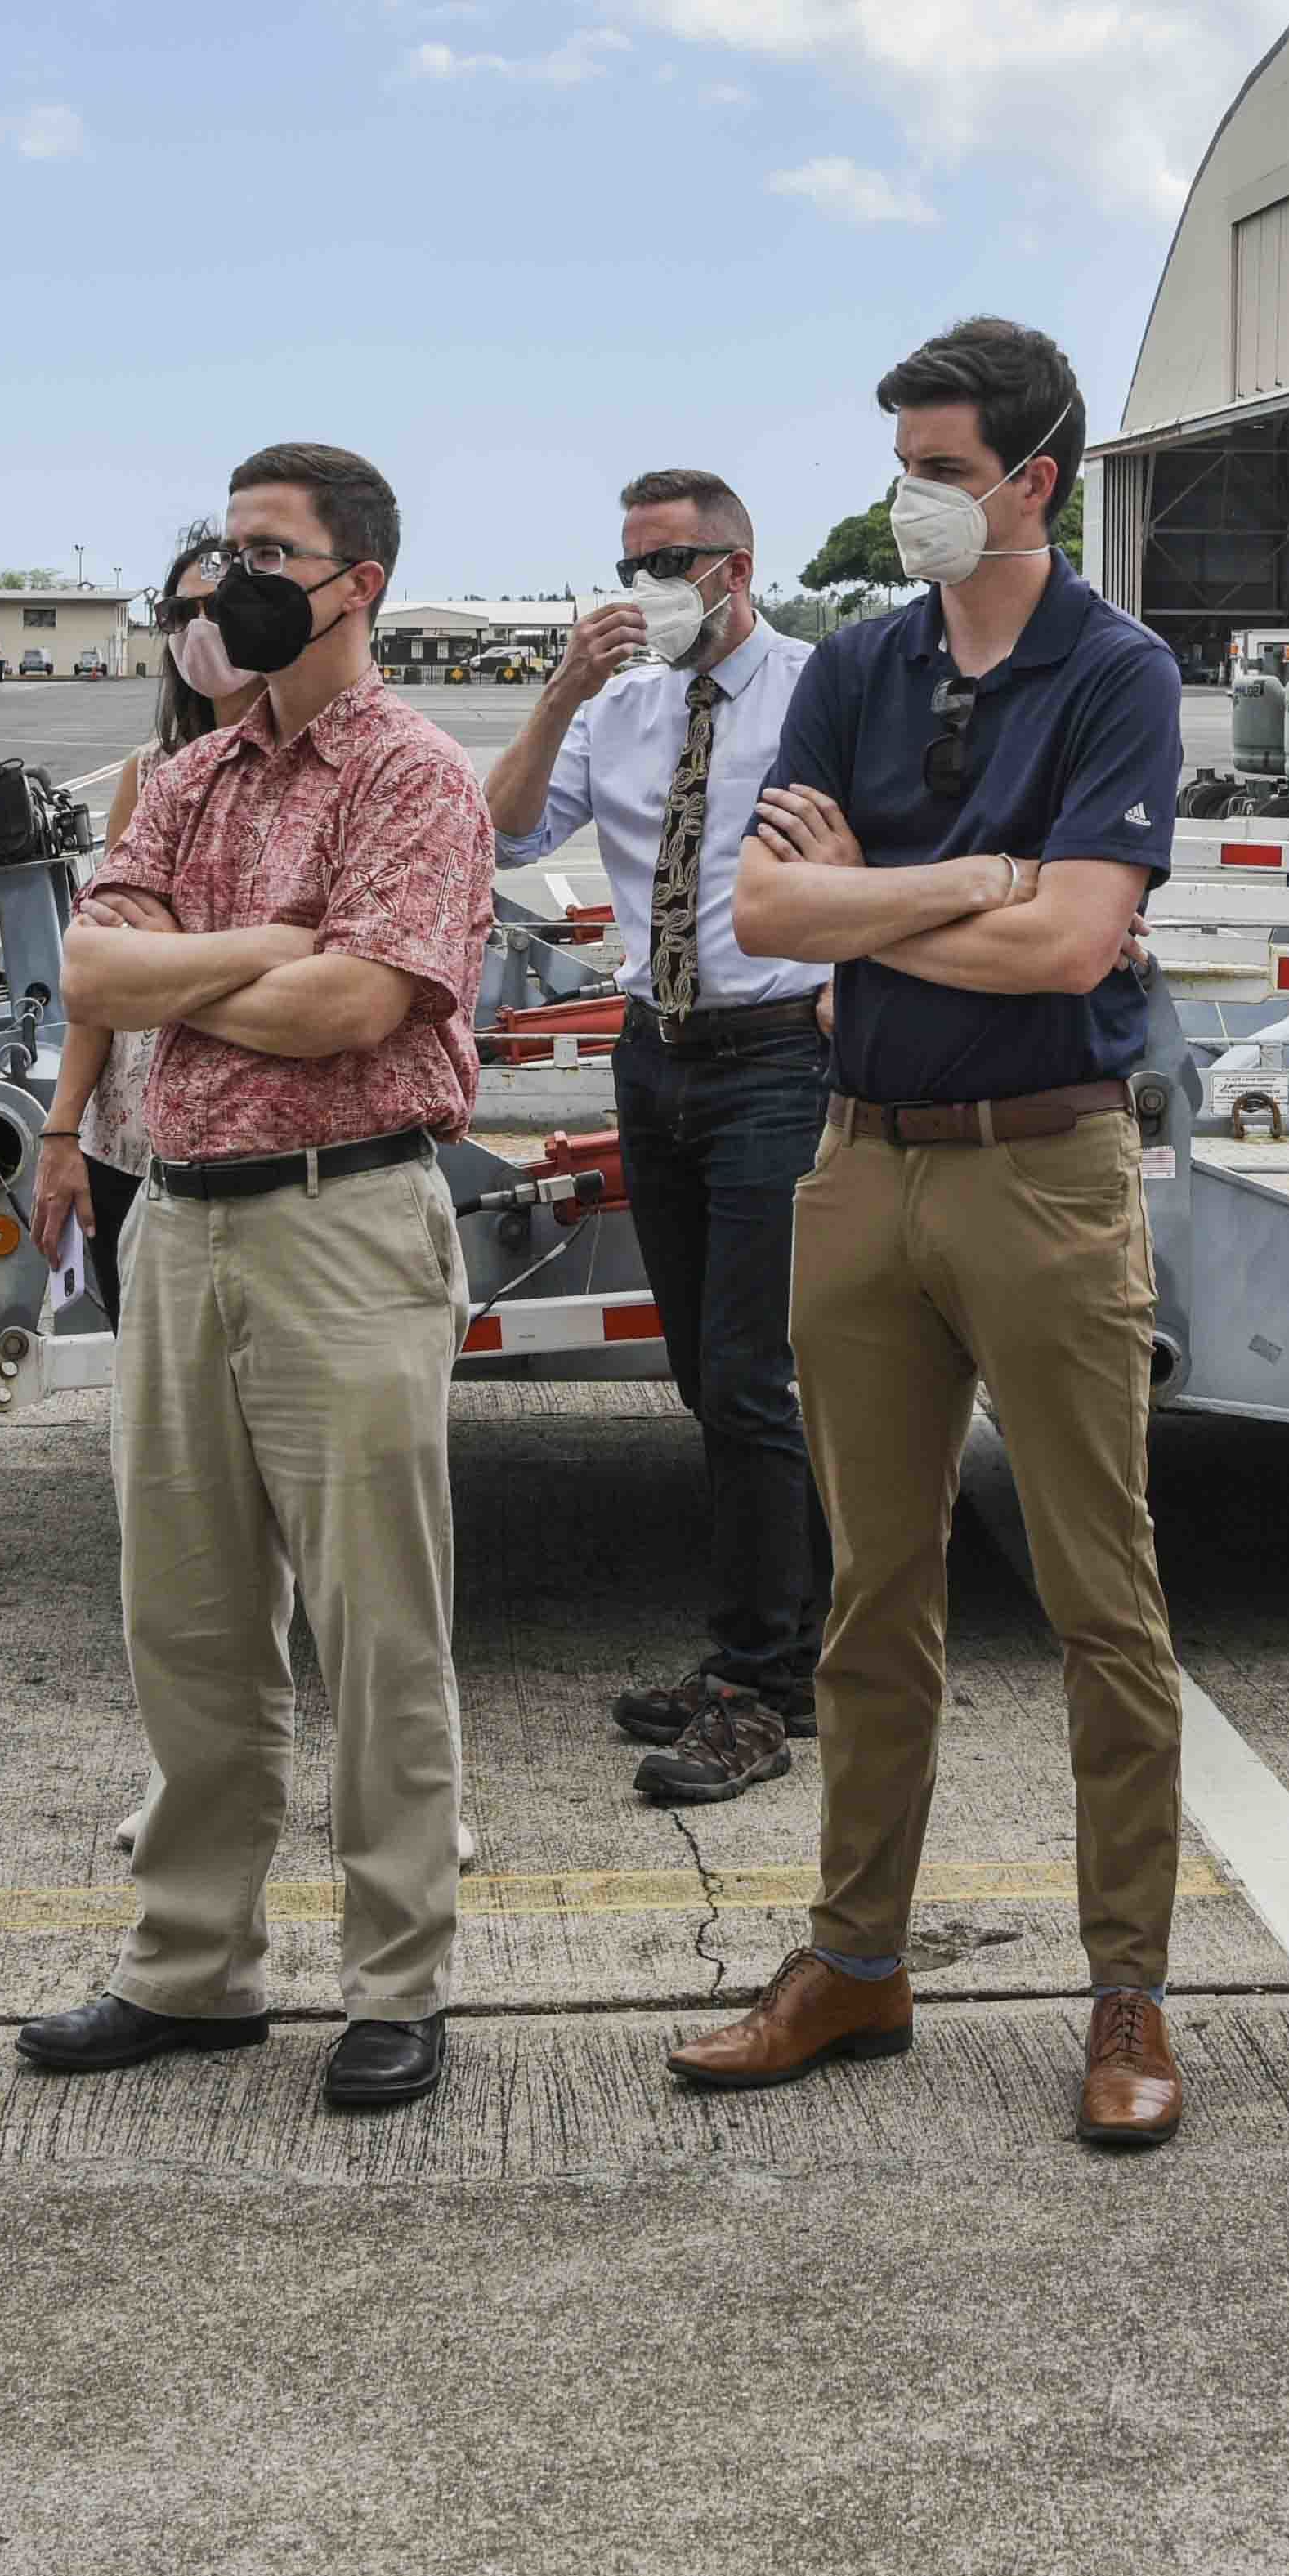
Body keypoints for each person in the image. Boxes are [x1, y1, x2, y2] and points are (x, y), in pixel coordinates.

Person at [670, 319, 1195, 2149]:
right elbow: (760, 911)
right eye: (899, 463)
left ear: (1033, 479)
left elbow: (1068, 948)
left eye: (942, 470)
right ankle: (853, 1958)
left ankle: (1124, 1988)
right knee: (867, 1594)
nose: (910, 502)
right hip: (860, 1162)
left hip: (1042, 1167)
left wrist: (869, 902)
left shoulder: (1115, 672)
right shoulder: (860, 665)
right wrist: (976, 875)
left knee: (1096, 1599)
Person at [16, 443, 495, 2117]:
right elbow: (85, 961)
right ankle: (191, 1961)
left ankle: (394, 1975)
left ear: (356, 579)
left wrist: (187, 978)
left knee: (373, 1621)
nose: (232, 579)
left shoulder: (413, 776)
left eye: (269, 549)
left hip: (340, 1220)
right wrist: (262, 951)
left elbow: (357, 1012)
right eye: (224, 548)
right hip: (180, 1221)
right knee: (191, 1618)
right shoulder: (193, 780)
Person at [479, 467, 836, 1809]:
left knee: (753, 1375)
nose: (649, 588)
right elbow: (509, 828)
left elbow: (898, 835)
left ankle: (757, 1682)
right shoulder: (617, 708)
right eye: (633, 562)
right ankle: (780, 1646)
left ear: (736, 567)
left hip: (777, 1055)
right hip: (657, 1053)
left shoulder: (818, 690)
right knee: (701, 1371)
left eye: (672, 561)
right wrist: (562, 689)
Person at [36, 526, 244, 1302]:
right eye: (179, 614)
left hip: (254, 1139)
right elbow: (98, 980)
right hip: (132, 1138)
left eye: (219, 608)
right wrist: (63, 1131)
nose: (199, 631)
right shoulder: (152, 773)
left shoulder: (335, 769)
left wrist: (169, 954)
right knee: (155, 1400)